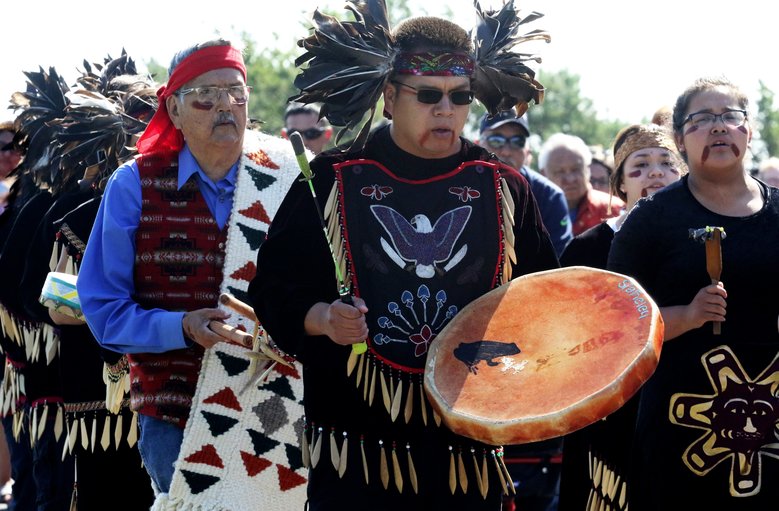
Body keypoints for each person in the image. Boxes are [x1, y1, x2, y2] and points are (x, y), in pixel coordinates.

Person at [249, 3, 558, 510]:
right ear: (390, 97)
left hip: (468, 443)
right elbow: (272, 288)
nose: (446, 110)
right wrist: (323, 318)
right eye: (429, 95)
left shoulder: (502, 186)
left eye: (460, 97)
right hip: (359, 442)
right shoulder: (332, 178)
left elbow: (541, 298)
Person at [77, 38, 282, 497]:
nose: (226, 107)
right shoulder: (135, 185)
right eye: (206, 97)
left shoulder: (279, 180)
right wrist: (182, 327)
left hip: (273, 407)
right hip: (175, 413)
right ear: (173, 109)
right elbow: (104, 311)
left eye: (236, 93)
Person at [608, 76, 779, 510]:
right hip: (678, 427)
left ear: (749, 131)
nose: (719, 127)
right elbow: (613, 325)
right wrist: (685, 315)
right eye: (701, 120)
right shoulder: (651, 220)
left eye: (730, 117)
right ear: (681, 140)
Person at [558, 124, 684, 510]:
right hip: (607, 404)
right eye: (640, 166)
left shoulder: (706, 240)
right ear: (620, 185)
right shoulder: (589, 247)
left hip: (682, 400)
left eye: (667, 163)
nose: (656, 172)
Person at [478, 109, 572, 257]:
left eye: (517, 141)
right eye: (496, 140)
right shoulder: (460, 187)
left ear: (527, 149)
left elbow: (560, 263)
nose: (507, 151)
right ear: (478, 144)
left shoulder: (550, 197)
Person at [539, 133, 624, 236]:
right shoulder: (532, 212)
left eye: (576, 170)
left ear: (587, 169)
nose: (570, 179)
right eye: (560, 171)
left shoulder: (615, 211)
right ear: (543, 174)